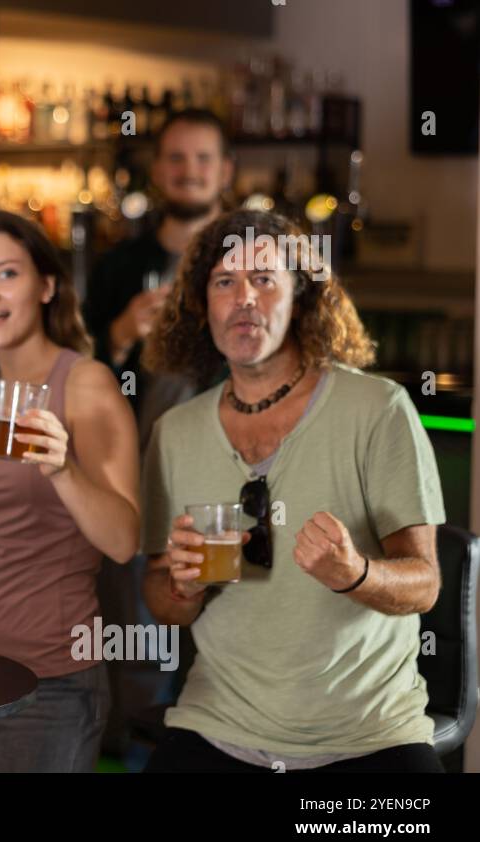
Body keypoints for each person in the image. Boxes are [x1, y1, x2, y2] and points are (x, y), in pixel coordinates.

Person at [140, 209, 445, 773]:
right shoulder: (175, 433)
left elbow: (424, 584)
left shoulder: (377, 410)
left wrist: (356, 574)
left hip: (366, 736)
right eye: (225, 281)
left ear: (301, 297)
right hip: (217, 728)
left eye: (264, 279)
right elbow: (162, 601)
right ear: (201, 304)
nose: (244, 299)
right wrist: (183, 586)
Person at [0, 210, 139, 771]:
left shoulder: (86, 384)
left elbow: (123, 541)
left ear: (47, 285)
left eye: (7, 274)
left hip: (53, 680)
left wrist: (64, 468)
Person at [83, 108, 235, 449]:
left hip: (232, 457)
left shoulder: (254, 264)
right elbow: (72, 366)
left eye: (203, 158)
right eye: (176, 158)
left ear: (225, 171)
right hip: (134, 460)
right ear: (157, 170)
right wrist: (120, 334)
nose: (189, 171)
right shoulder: (117, 265)